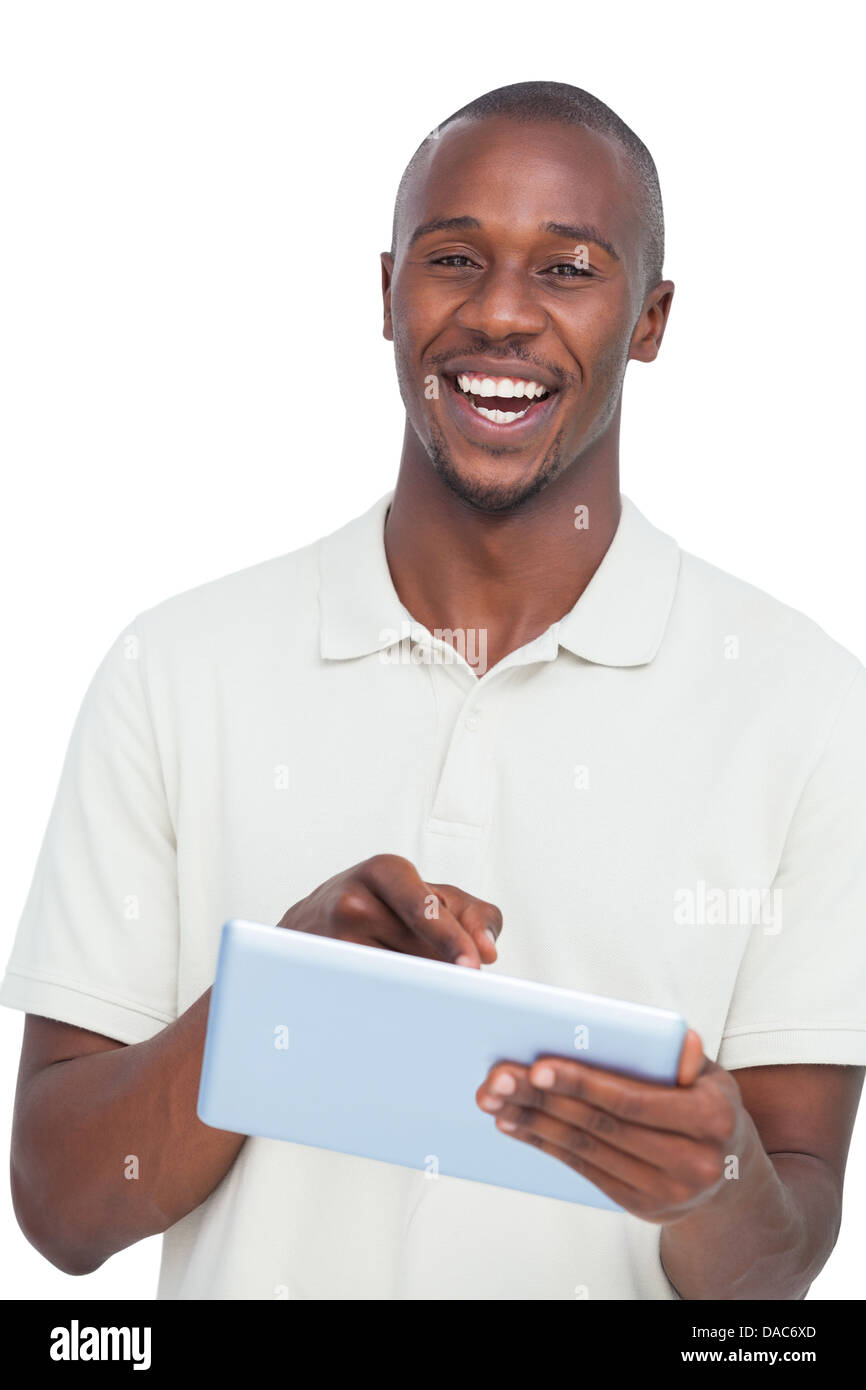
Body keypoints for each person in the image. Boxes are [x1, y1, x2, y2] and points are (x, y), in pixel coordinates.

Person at [3, 80, 865, 1301]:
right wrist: (283, 994)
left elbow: (775, 1264)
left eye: (566, 269)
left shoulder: (811, 711)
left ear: (651, 318)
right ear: (388, 292)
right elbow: (62, 1207)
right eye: (454, 258)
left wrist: (711, 1175)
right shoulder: (177, 668)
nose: (500, 314)